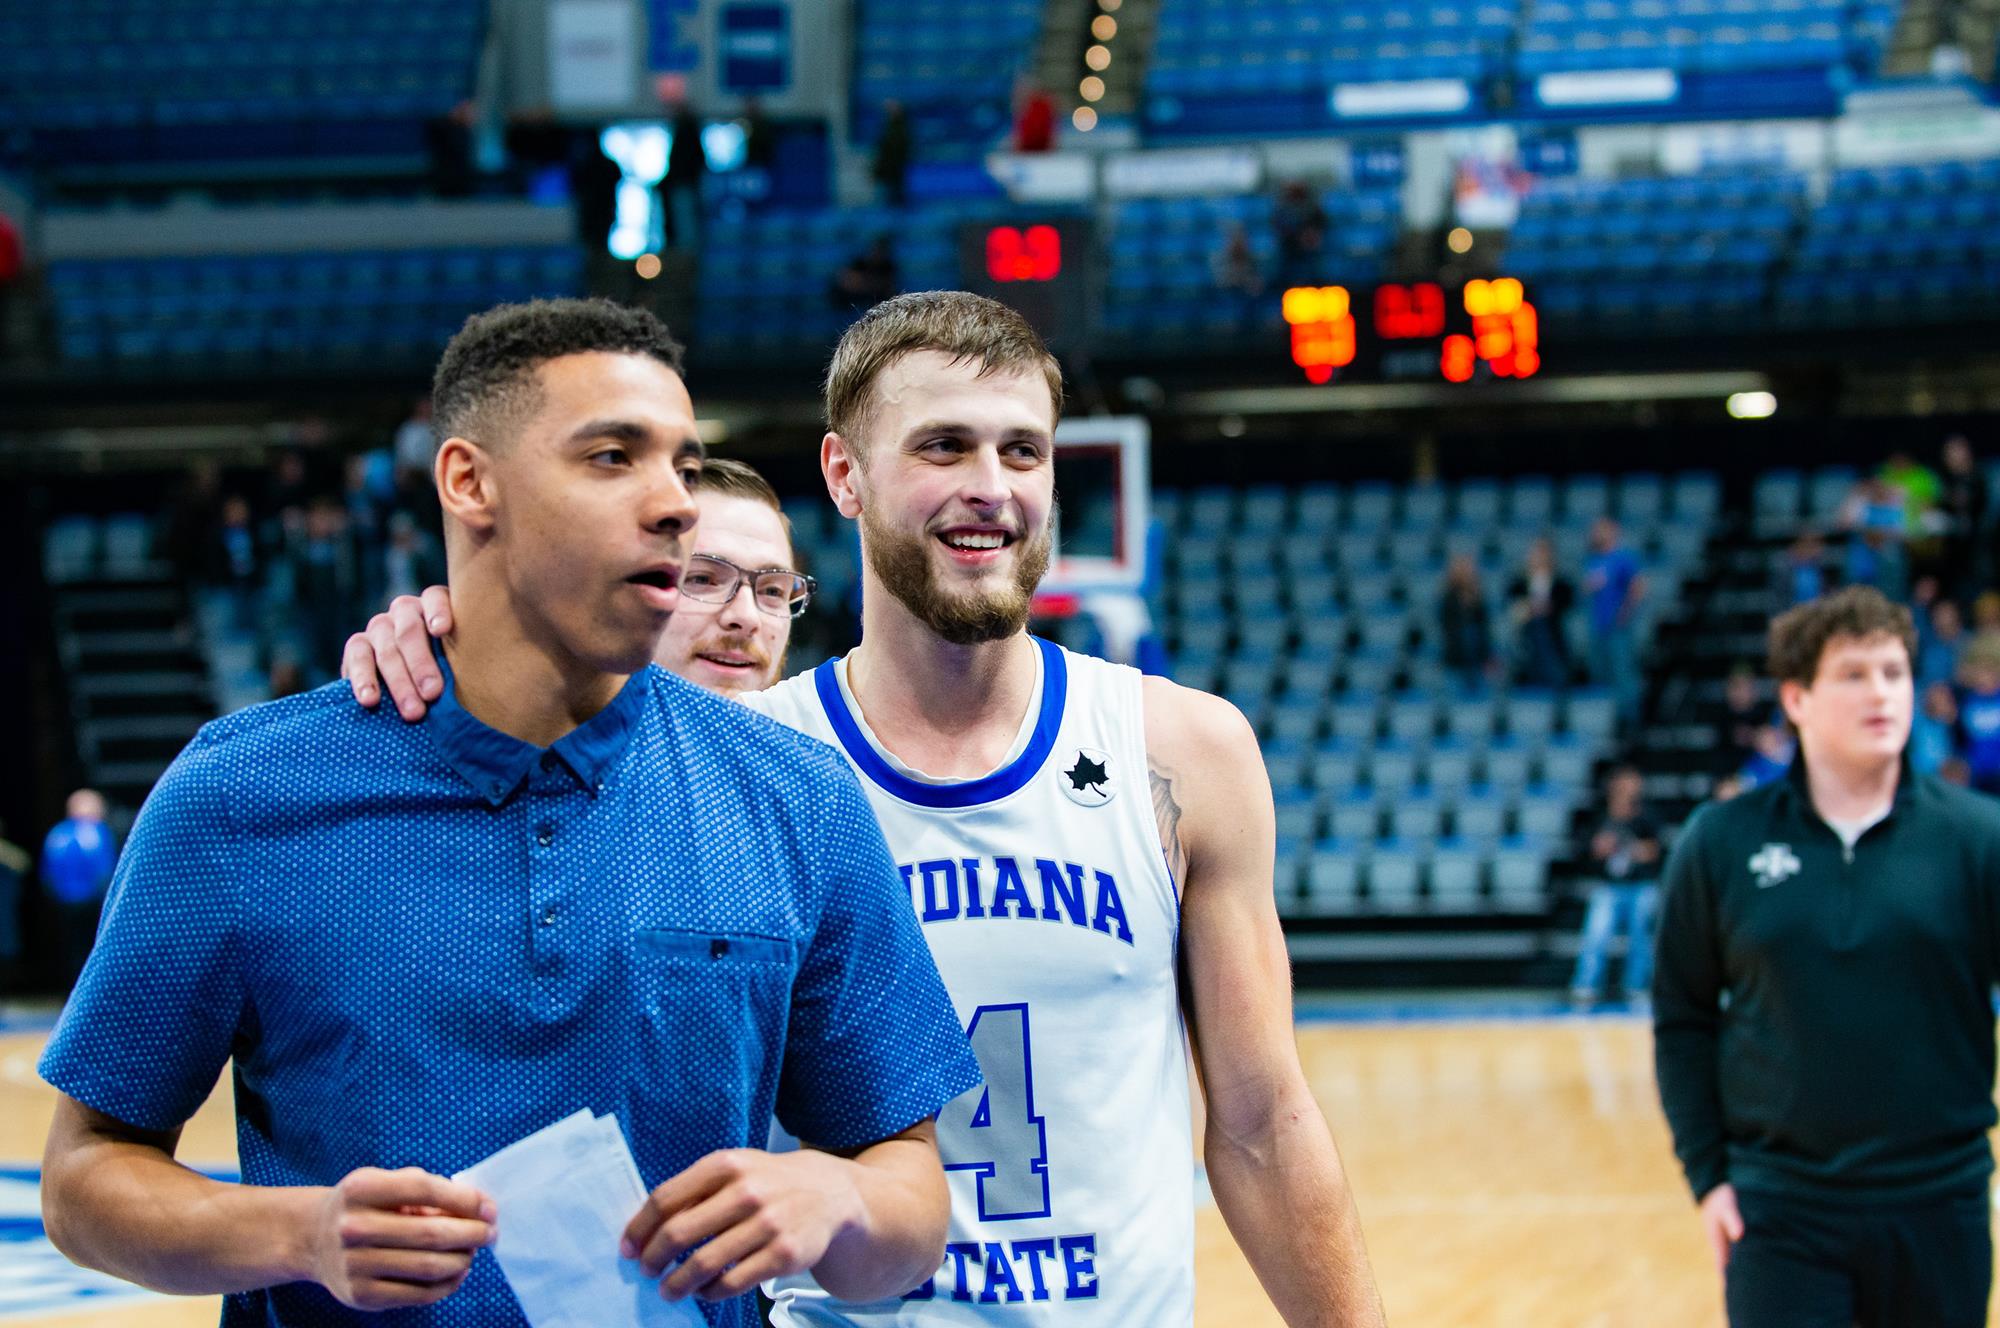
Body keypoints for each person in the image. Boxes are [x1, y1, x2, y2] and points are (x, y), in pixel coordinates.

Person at [351, 291, 1386, 1326]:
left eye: (1021, 452)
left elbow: (1259, 1126)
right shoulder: (746, 763)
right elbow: (520, 741)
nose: (989, 488)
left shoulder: (1181, 753)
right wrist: (435, 630)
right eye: (943, 446)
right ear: (843, 473)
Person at [38, 299, 979, 1327]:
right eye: (613, 456)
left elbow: (909, 1193)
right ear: (467, 481)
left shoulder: (796, 798)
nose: (673, 501)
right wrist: (293, 1234)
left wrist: (839, 1196)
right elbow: (86, 1174)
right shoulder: (243, 794)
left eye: (682, 463)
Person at [1654, 585, 2000, 1328]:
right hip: (1781, 1209)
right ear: (1797, 698)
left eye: (1895, 672)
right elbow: (1682, 1018)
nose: (1881, 692)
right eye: (1853, 674)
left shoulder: (1978, 840)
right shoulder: (1721, 842)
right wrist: (1709, 1175)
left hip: (1941, 1204)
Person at [1566, 766, 1663, 1008]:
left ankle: (1636, 986)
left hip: (1640, 884)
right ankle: (1586, 985)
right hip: (1609, 886)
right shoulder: (1599, 815)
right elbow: (1586, 850)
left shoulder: (1646, 815)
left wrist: (1638, 850)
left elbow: (1656, 850)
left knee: (1642, 933)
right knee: (1596, 934)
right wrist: (1600, 848)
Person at [40, 789, 118, 989]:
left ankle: (71, 991)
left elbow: (47, 874)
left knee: (71, 949)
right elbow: (105, 870)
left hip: (64, 902)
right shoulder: (97, 832)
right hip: (92, 902)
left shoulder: (56, 832)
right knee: (93, 949)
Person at [1583, 517, 1645, 726]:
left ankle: (1629, 720)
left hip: (1618, 627)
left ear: (1612, 531)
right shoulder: (1593, 559)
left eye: (1600, 529)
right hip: (1598, 626)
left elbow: (1638, 586)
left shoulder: (1623, 557)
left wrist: (1625, 613)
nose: (1596, 533)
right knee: (1601, 671)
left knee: (1623, 673)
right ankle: (1606, 719)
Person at [1507, 535, 1575, 688]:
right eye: (1537, 553)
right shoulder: (1518, 584)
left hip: (1554, 638)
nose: (1539, 557)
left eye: (1544, 554)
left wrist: (1547, 608)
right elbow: (1513, 607)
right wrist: (1531, 608)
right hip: (1525, 636)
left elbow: (1567, 606)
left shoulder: (1562, 584)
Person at [1439, 552, 1497, 692]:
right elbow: (1447, 628)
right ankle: (1471, 680)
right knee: (1468, 634)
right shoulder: (1448, 599)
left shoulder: (1479, 600)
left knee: (1473, 634)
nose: (1467, 572)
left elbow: (1485, 628)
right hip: (1455, 650)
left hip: (1479, 650)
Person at [661, 92, 707, 249]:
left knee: (686, 219)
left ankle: (688, 254)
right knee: (684, 219)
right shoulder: (684, 132)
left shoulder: (687, 133)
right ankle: (687, 250)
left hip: (685, 184)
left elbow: (691, 162)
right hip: (683, 184)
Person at [829, 236, 899, 314]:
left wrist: (866, 282)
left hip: (874, 300)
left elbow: (887, 286)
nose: (877, 253)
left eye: (881, 251)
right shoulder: (860, 263)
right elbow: (844, 278)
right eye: (876, 250)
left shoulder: (888, 266)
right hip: (851, 299)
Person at [872, 101, 911, 207]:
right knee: (888, 198)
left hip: (895, 170)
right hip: (889, 171)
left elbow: (896, 151)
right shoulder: (888, 128)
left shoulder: (901, 129)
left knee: (895, 197)